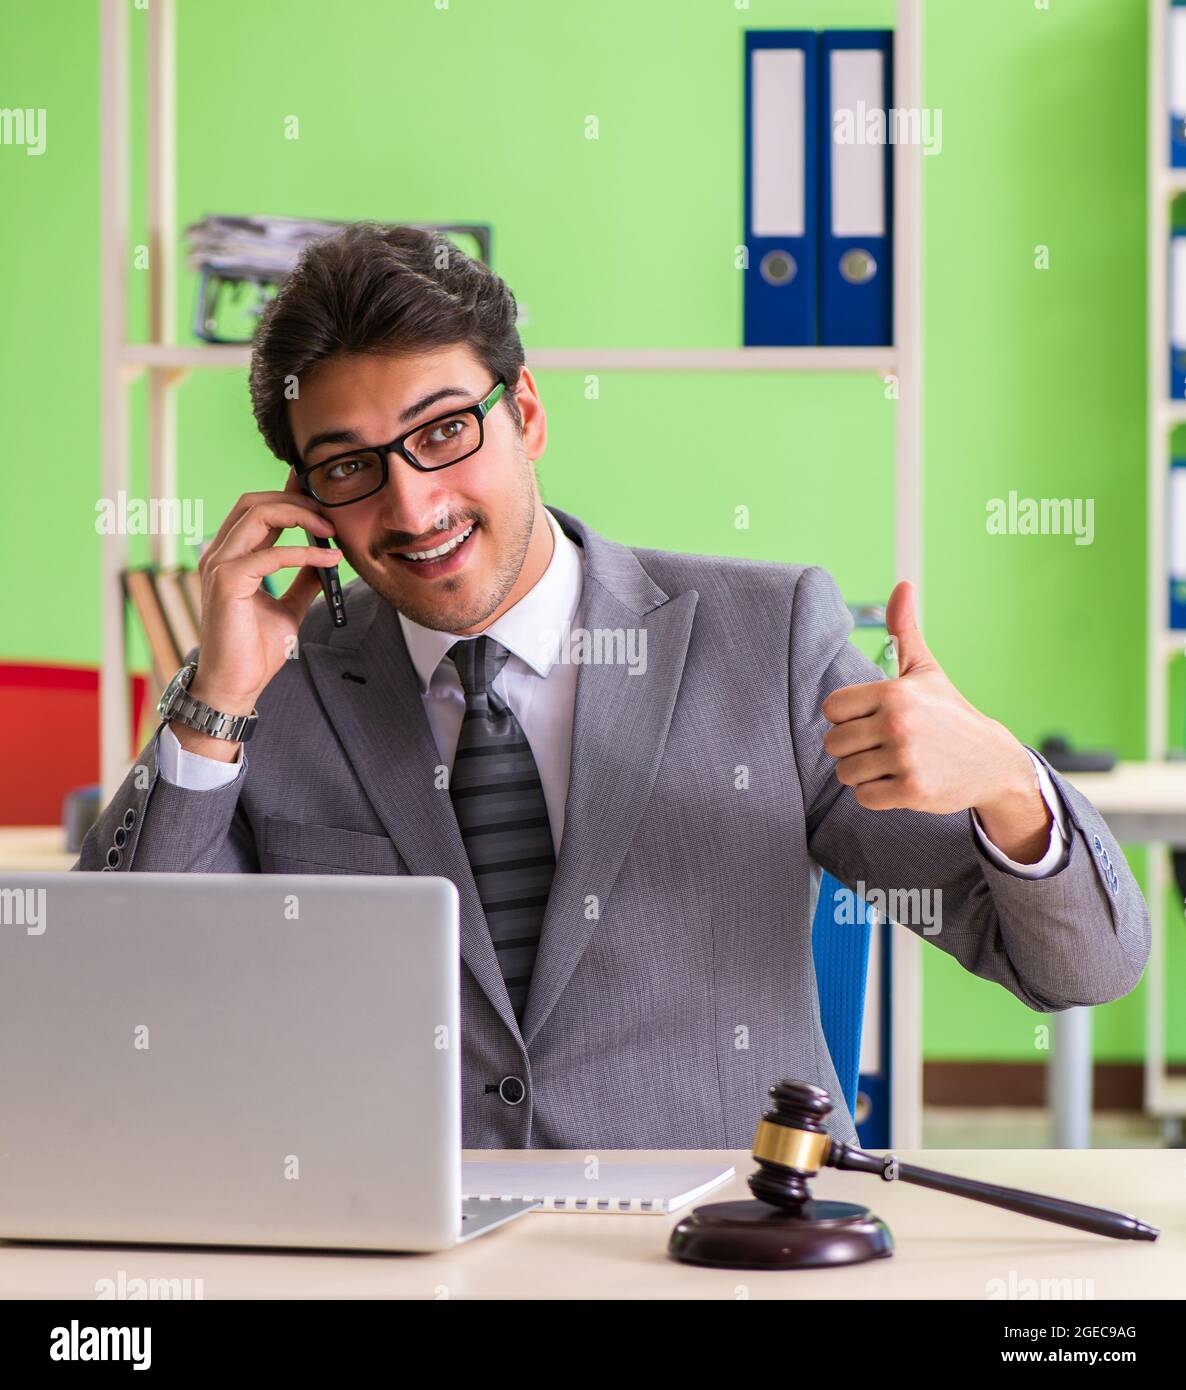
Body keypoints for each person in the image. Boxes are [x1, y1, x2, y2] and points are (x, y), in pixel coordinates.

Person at [76, 224, 1150, 1148]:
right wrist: (213, 704)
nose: (412, 506)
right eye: (351, 466)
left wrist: (1007, 783)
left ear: (527, 415)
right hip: (394, 1250)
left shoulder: (765, 639)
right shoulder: (274, 687)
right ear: (305, 496)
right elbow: (117, 1012)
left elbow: (1083, 969)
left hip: (714, 1257)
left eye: (444, 431)